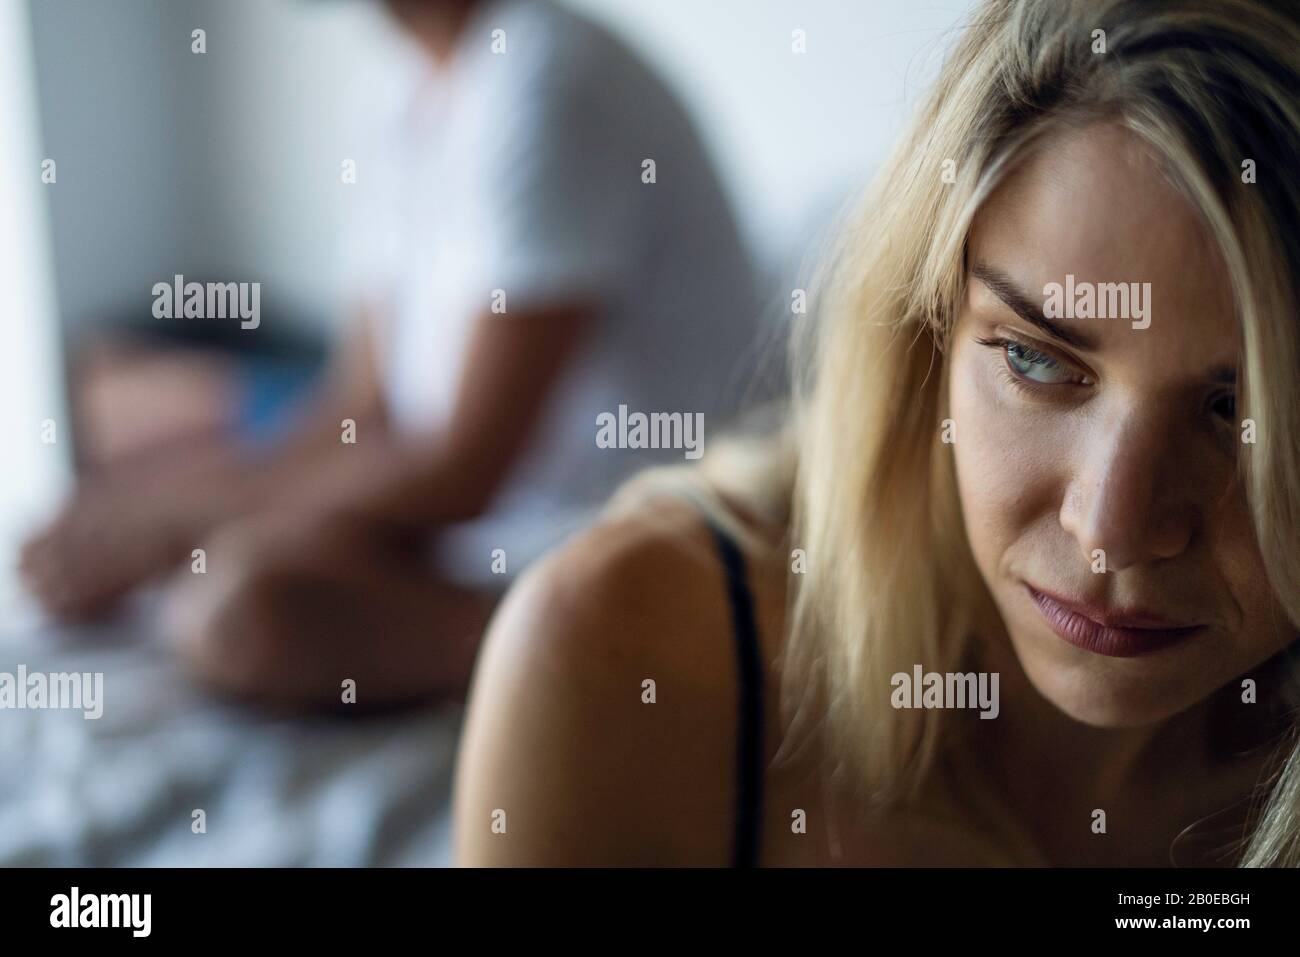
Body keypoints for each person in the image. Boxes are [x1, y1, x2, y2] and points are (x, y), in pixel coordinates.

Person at [452, 0, 1300, 866]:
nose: (1111, 530)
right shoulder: (624, 660)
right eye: (1036, 362)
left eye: (1244, 410)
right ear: (924, 340)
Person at [19, 0, 758, 708]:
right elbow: (360, 411)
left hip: (622, 545)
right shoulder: (396, 98)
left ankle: (624, 664)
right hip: (490, 537)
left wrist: (180, 528)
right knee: (217, 564)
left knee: (242, 606)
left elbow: (462, 472)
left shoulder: (551, 77)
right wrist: (163, 501)